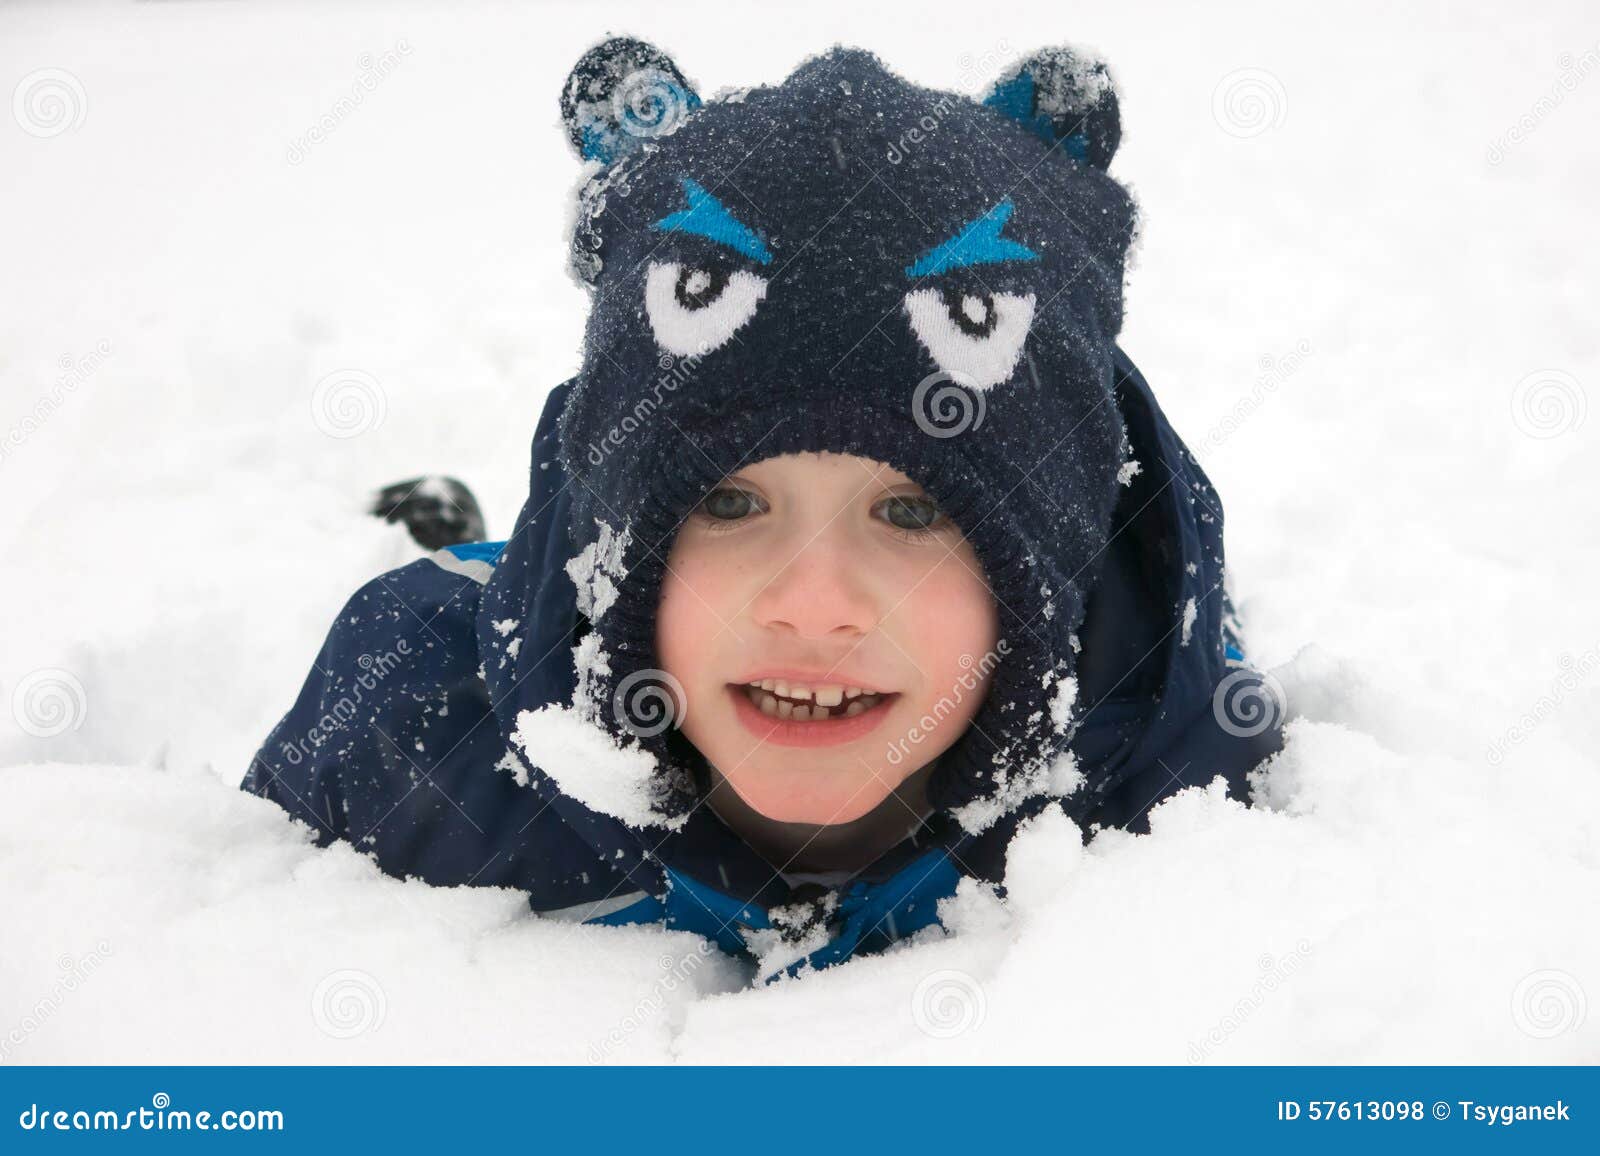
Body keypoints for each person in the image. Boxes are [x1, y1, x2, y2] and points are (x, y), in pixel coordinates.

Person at [242, 37, 1285, 982]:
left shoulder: (1163, 782)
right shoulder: (410, 751)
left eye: (913, 513)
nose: (814, 604)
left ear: (1048, 577)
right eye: (732, 501)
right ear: (615, 544)